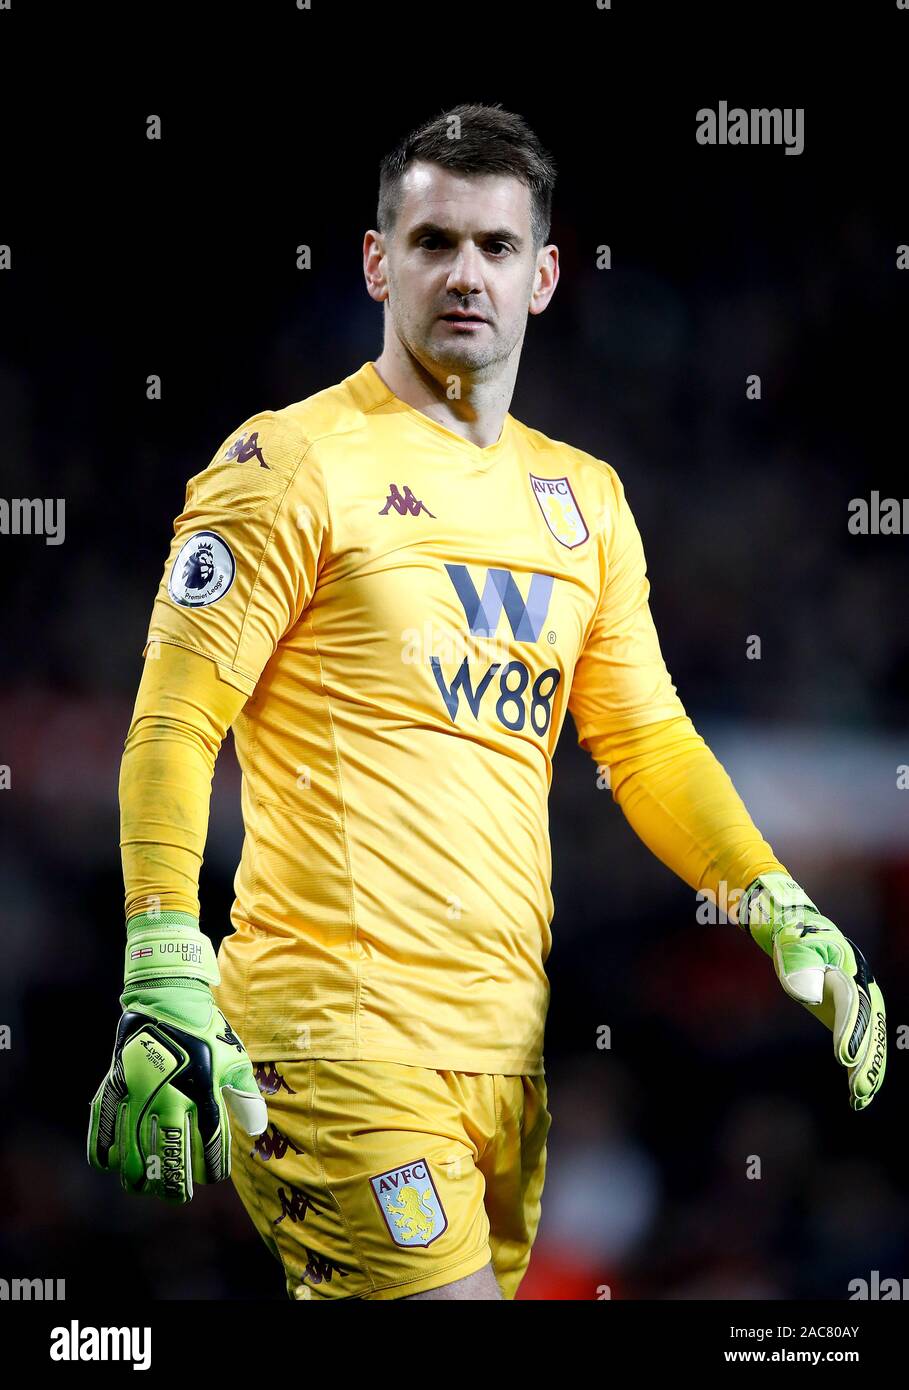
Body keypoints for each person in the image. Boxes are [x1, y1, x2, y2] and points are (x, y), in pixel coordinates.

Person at [88, 102, 887, 1302]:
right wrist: (162, 945)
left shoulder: (586, 501)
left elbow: (647, 741)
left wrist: (772, 901)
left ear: (546, 275)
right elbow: (172, 720)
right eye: (433, 242)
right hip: (331, 1039)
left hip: (507, 1065)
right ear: (376, 262)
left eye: (497, 247)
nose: (466, 273)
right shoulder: (290, 464)